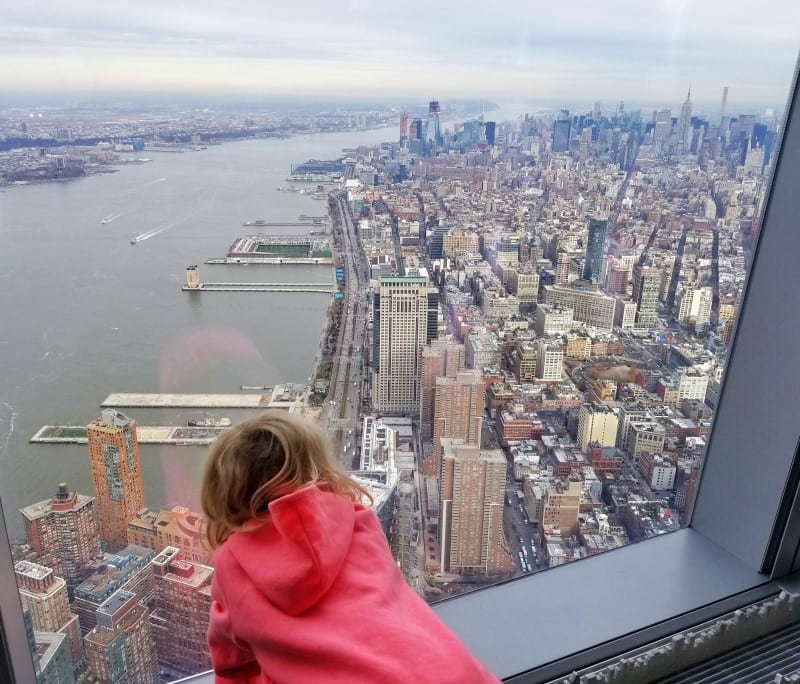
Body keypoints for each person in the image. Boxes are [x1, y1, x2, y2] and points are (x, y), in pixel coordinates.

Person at [201, 411, 502, 684]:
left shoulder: (232, 566)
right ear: (317, 469)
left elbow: (233, 668)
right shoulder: (357, 519)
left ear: (225, 496)